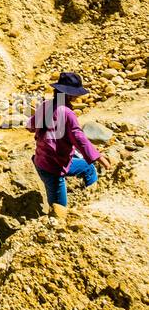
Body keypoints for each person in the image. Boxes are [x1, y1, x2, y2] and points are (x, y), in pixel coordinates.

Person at [28, 72, 111, 212]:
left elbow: (30, 126)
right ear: (70, 95)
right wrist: (100, 158)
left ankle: (91, 202)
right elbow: (79, 138)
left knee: (87, 168)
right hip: (53, 170)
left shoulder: (46, 105)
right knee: (59, 211)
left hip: (42, 160)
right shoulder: (67, 113)